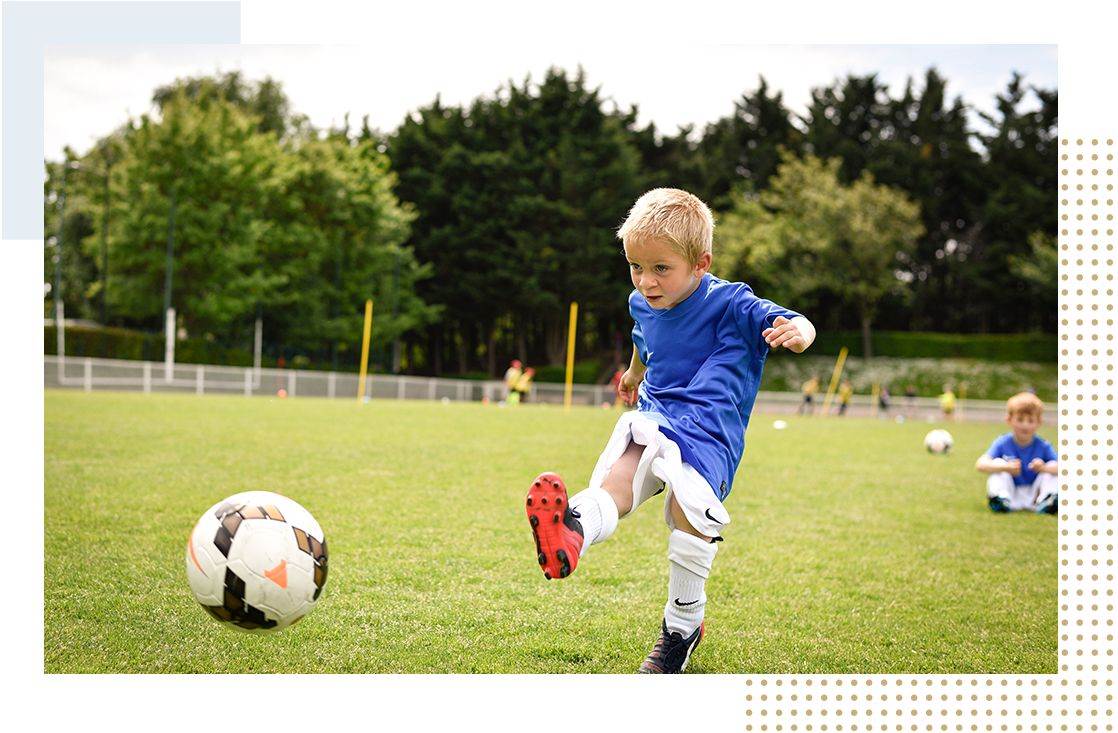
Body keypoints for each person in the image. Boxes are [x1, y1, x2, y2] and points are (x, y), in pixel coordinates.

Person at [524, 188, 816, 673]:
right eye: (636, 267)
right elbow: (644, 337)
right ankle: (571, 529)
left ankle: (682, 628)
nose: (646, 281)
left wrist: (799, 331)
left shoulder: (730, 302)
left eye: (661, 268)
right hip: (658, 415)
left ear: (700, 263)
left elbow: (785, 317)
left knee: (688, 511)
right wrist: (635, 373)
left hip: (709, 433)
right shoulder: (642, 301)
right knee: (622, 472)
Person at [975, 392, 1059, 514]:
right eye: (1020, 420)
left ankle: (1047, 501)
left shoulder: (1044, 446)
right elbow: (980, 464)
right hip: (1011, 491)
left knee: (1052, 466)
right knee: (998, 463)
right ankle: (1001, 500)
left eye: (1030, 420)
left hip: (1035, 493)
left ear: (1039, 422)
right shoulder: (1002, 442)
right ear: (1009, 420)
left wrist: (1043, 468)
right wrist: (1006, 467)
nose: (1025, 425)